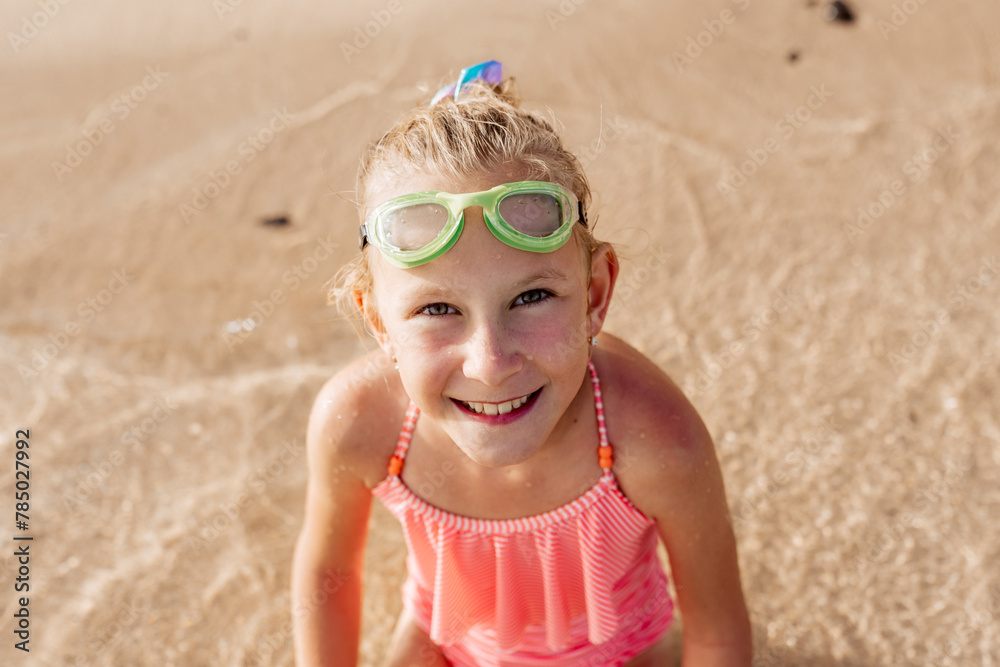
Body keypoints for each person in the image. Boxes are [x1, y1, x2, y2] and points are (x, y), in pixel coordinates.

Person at [292, 60, 752, 666]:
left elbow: (717, 633)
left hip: (618, 655)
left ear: (593, 295)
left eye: (531, 297)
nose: (490, 364)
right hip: (445, 640)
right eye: (436, 308)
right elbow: (330, 577)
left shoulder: (654, 439)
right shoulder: (361, 424)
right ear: (378, 320)